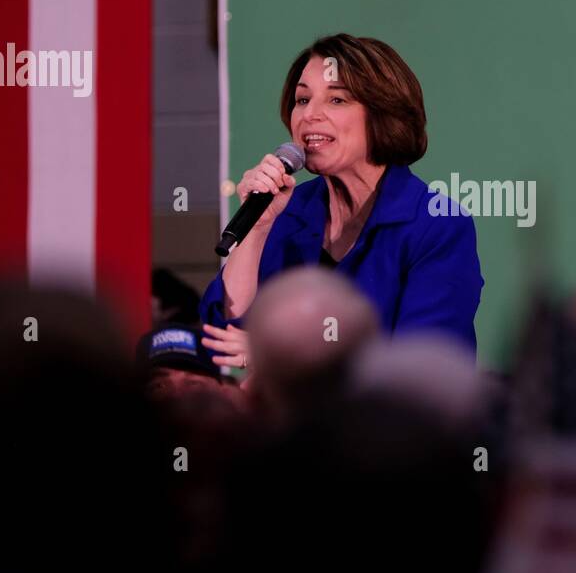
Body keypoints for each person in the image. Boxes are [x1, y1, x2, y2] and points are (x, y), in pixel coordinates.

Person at [200, 33, 484, 356]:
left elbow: (423, 372)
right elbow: (225, 337)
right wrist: (258, 228)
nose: (309, 115)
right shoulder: (287, 212)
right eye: (303, 100)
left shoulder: (437, 226)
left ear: (383, 114)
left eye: (337, 100)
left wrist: (291, 358)